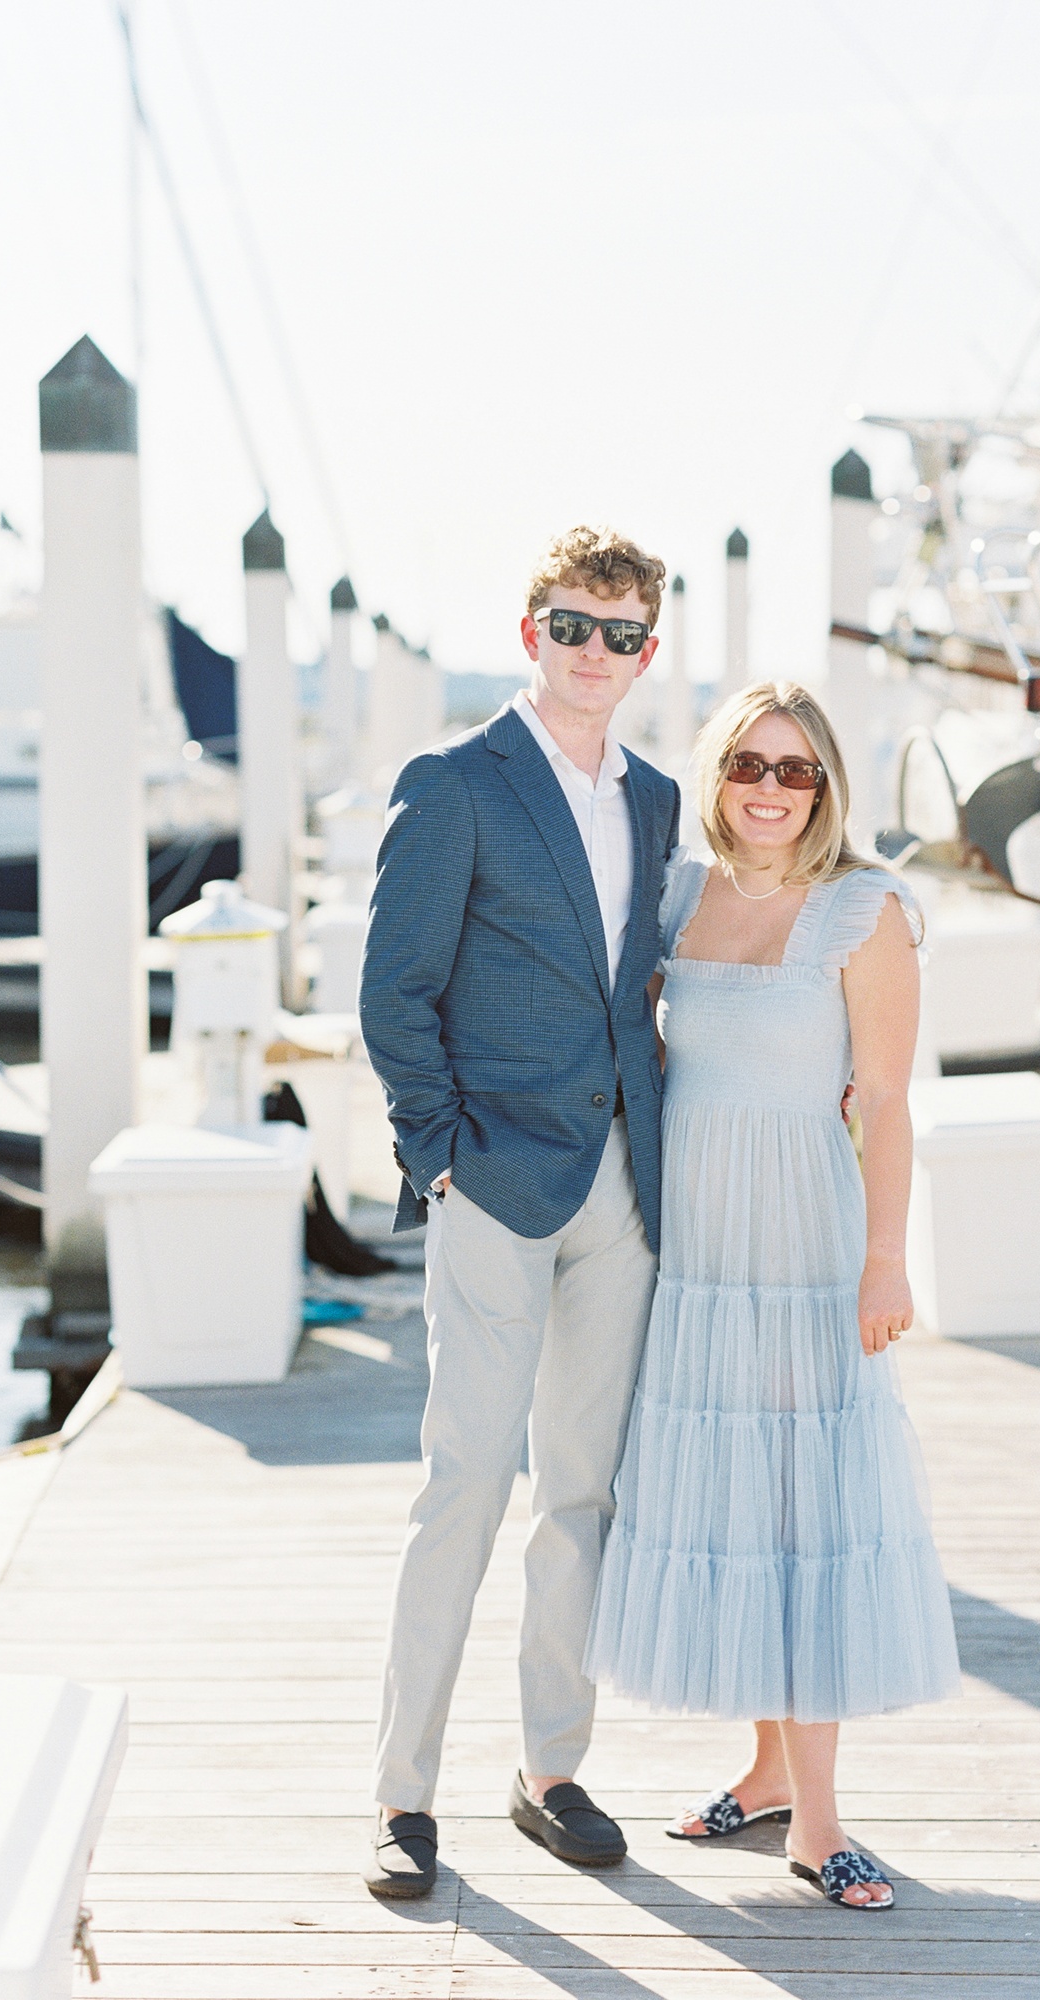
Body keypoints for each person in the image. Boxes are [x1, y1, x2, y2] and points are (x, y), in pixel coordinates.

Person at [586, 679, 961, 1911]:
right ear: (717, 771)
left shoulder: (867, 907)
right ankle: (759, 1768)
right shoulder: (678, 895)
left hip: (805, 1242)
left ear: (827, 784)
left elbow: (890, 1101)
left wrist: (887, 1258)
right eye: (749, 760)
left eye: (796, 769)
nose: (769, 786)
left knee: (806, 1505)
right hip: (695, 1250)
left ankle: (820, 1819)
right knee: (737, 1500)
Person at [358, 526, 680, 1898]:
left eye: (619, 634)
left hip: (622, 1184)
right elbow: (393, 993)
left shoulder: (659, 798)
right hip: (492, 1181)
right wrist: (439, 1156)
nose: (592, 654)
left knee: (584, 1494)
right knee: (468, 1484)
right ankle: (399, 1797)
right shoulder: (456, 783)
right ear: (531, 630)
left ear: (648, 651)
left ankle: (551, 1768)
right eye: (570, 625)